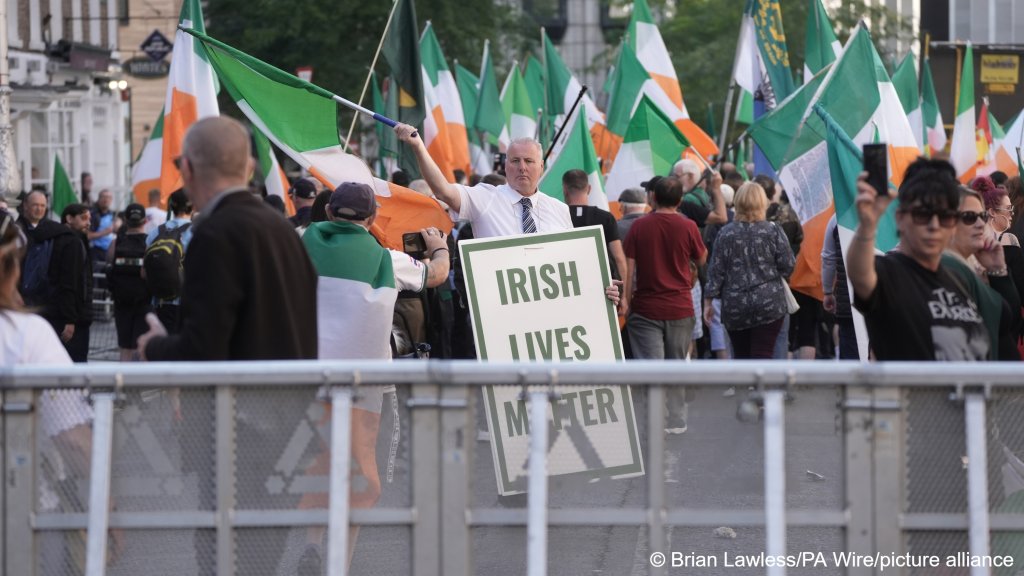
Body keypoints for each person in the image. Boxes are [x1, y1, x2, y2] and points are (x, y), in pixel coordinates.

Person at [296, 182, 451, 571]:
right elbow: (436, 275)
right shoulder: (387, 258)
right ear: (372, 218)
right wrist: (438, 245)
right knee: (360, 476)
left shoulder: (299, 242)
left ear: (329, 211)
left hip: (304, 380)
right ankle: (339, 564)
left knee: (319, 463)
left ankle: (312, 544)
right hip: (364, 386)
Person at [138, 116, 317, 361]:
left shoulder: (213, 234)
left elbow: (201, 349)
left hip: (238, 396)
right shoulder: (284, 229)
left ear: (188, 169)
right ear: (250, 167)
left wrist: (154, 345)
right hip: (291, 393)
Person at [848, 158, 994, 361]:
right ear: (900, 218)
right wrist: (867, 225)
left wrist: (998, 270)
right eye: (922, 215)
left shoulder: (957, 280)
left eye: (944, 216)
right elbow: (860, 274)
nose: (934, 225)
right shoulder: (889, 273)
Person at [622, 176, 706, 432]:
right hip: (680, 306)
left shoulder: (640, 227)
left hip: (646, 307)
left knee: (651, 366)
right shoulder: (689, 226)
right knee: (677, 363)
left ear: (653, 198)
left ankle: (655, 416)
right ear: (680, 200)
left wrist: (626, 300)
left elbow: (629, 269)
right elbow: (702, 258)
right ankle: (677, 417)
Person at [704, 182, 795, 359]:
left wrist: (708, 303)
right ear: (763, 203)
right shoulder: (773, 231)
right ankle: (761, 386)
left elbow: (716, 272)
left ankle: (744, 387)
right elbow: (788, 265)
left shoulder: (725, 233)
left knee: (741, 357)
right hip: (770, 303)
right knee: (764, 353)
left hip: (735, 304)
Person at [945, 186, 1020, 360]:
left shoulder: (979, 263)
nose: (980, 223)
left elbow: (1011, 319)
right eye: (970, 217)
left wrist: (998, 270)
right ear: (948, 223)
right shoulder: (945, 268)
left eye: (982, 216)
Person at [17, 191, 86, 350]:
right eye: (35, 205)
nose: (39, 209)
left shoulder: (56, 235)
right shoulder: (15, 231)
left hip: (47, 303)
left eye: (42, 205)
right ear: (25, 206)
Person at [563, 169, 626, 280]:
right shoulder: (606, 218)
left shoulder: (557, 217)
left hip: (569, 283)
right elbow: (619, 258)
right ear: (589, 189)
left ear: (565, 190)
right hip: (603, 285)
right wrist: (625, 295)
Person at [107, 203, 151, 361]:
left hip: (121, 301)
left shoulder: (116, 243)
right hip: (144, 300)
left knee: (124, 345)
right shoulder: (150, 243)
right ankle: (139, 383)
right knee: (142, 344)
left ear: (125, 220)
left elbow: (109, 264)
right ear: (145, 221)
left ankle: (124, 381)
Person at [145, 189, 194, 334]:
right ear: (193, 206)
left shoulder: (156, 232)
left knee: (165, 348)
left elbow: (144, 272)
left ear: (171, 207)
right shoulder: (196, 232)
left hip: (160, 302)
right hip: (187, 301)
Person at [60, 203, 94, 362]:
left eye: (89, 219)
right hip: (75, 318)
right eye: (84, 218)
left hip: (77, 315)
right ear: (69, 219)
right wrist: (70, 319)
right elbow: (70, 282)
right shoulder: (72, 242)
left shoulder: (78, 240)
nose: (88, 223)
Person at [821, 214, 858, 359]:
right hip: (881, 297)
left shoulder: (837, 218)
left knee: (850, 352)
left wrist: (828, 291)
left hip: (847, 298)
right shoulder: (888, 214)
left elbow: (828, 258)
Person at [87, 189, 118, 263]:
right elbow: (88, 236)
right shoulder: (92, 215)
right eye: (103, 197)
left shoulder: (112, 214)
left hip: (109, 251)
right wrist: (105, 232)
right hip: (96, 252)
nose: (106, 200)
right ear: (99, 199)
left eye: (108, 197)